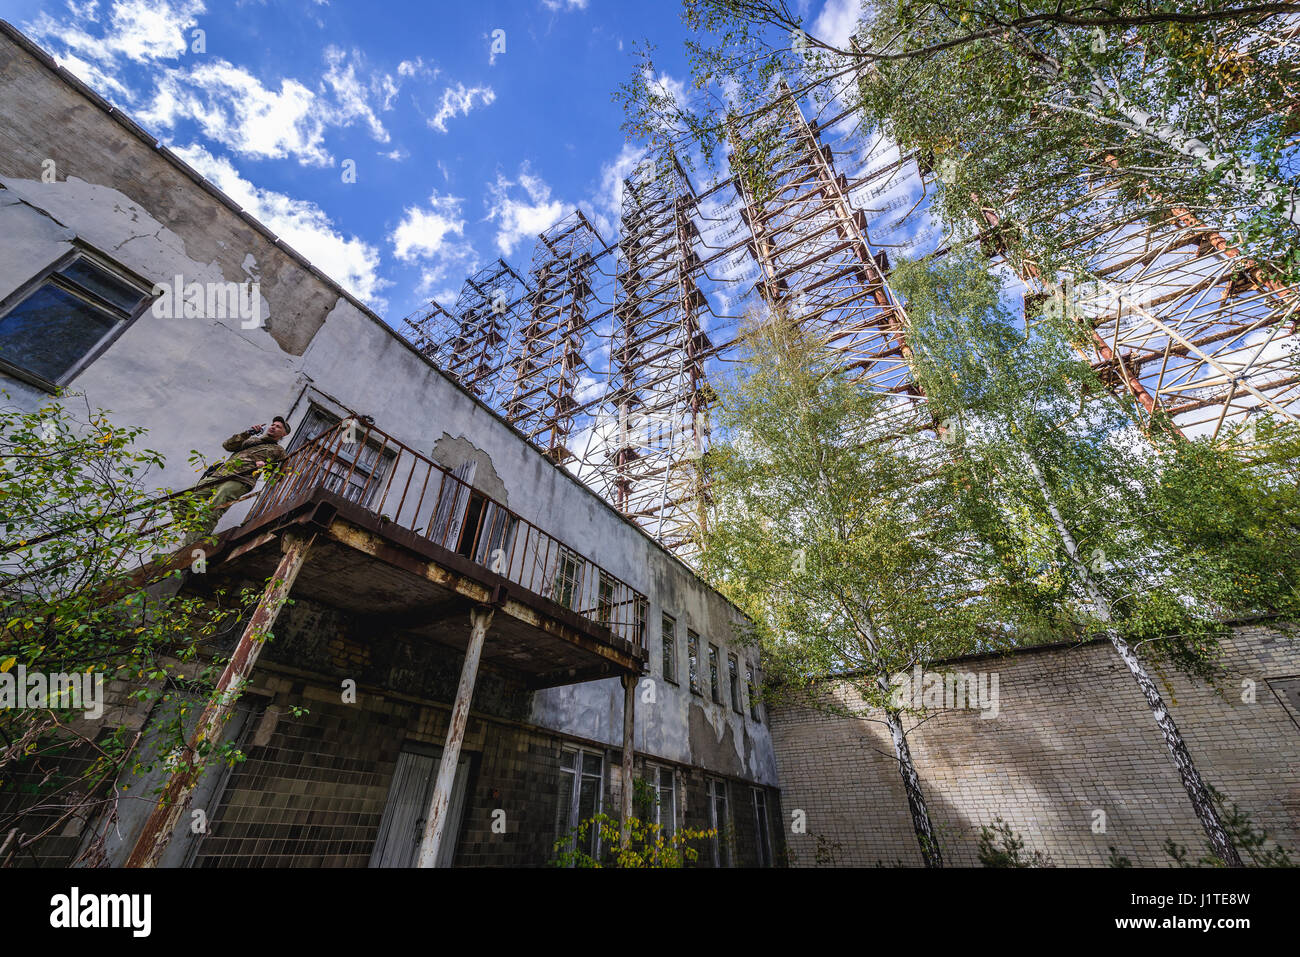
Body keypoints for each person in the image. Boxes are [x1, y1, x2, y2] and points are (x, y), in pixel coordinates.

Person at [179, 416, 292, 548]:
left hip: (240, 480)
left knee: (213, 509)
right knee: (181, 499)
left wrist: (266, 467)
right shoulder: (252, 440)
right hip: (219, 475)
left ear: (284, 434)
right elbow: (227, 445)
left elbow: (279, 475)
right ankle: (195, 528)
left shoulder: (280, 452)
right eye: (273, 424)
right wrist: (248, 433)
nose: (273, 427)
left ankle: (188, 546)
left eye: (278, 426)